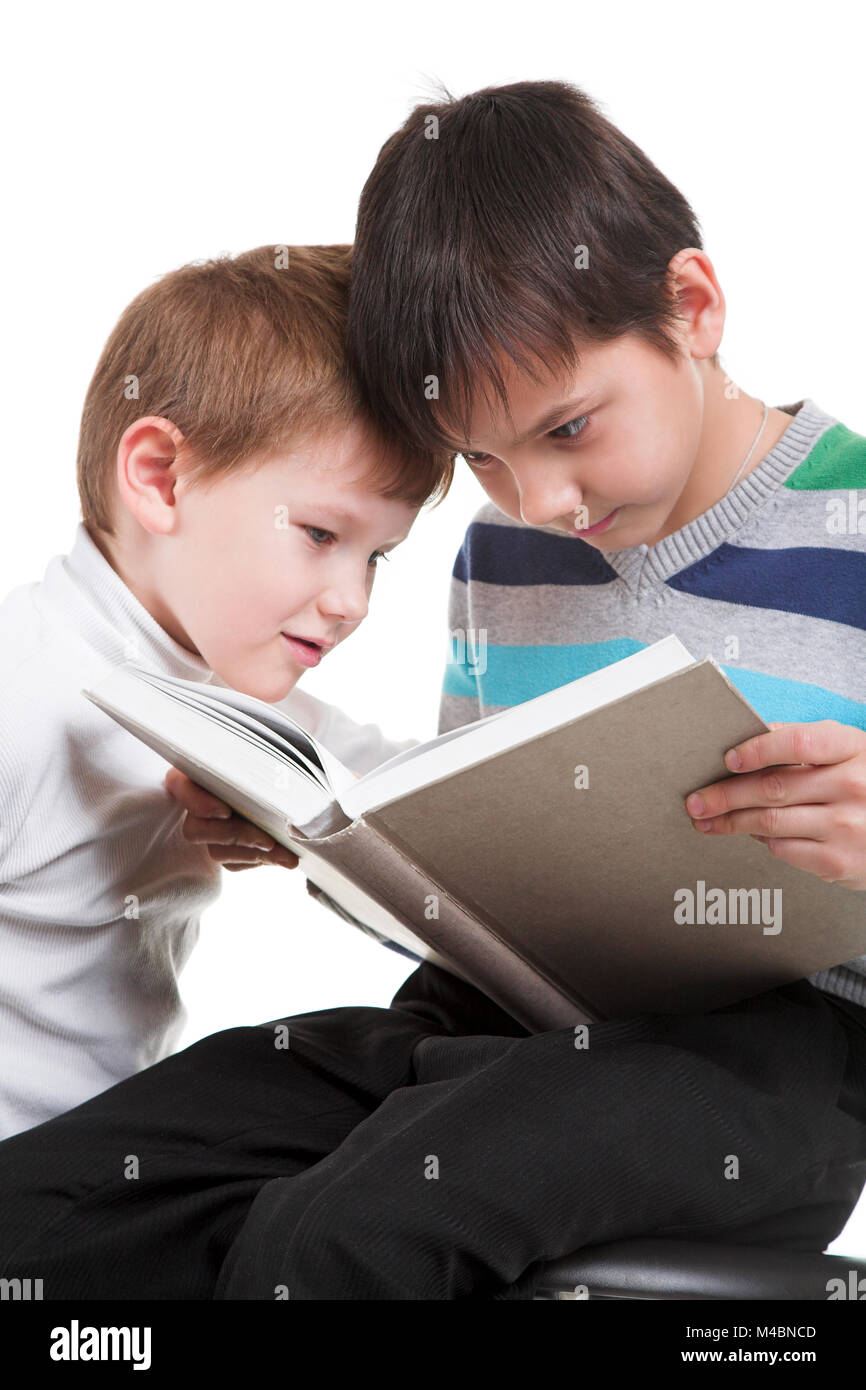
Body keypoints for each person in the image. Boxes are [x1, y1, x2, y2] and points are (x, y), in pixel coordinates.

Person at [2, 80, 865, 1301]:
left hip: (768, 1056)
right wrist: (319, 838)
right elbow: (483, 871)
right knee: (52, 1213)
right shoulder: (505, 553)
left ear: (691, 307)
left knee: (336, 1245)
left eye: (567, 429)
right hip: (489, 1017)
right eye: (483, 460)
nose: (541, 504)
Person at [0, 243, 441, 1140]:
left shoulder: (241, 702)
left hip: (100, 1181)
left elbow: (422, 799)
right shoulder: (26, 684)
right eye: (319, 533)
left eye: (377, 556)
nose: (352, 602)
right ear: (161, 478)